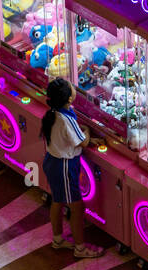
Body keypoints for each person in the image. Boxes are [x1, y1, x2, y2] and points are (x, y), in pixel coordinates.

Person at [41, 77, 104, 259]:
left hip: (52, 161)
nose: (74, 87)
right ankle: (80, 248)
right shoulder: (64, 119)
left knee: (57, 201)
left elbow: (70, 138)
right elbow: (82, 142)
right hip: (65, 167)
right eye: (71, 88)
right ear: (69, 99)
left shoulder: (54, 112)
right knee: (77, 207)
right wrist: (88, 132)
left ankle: (58, 239)